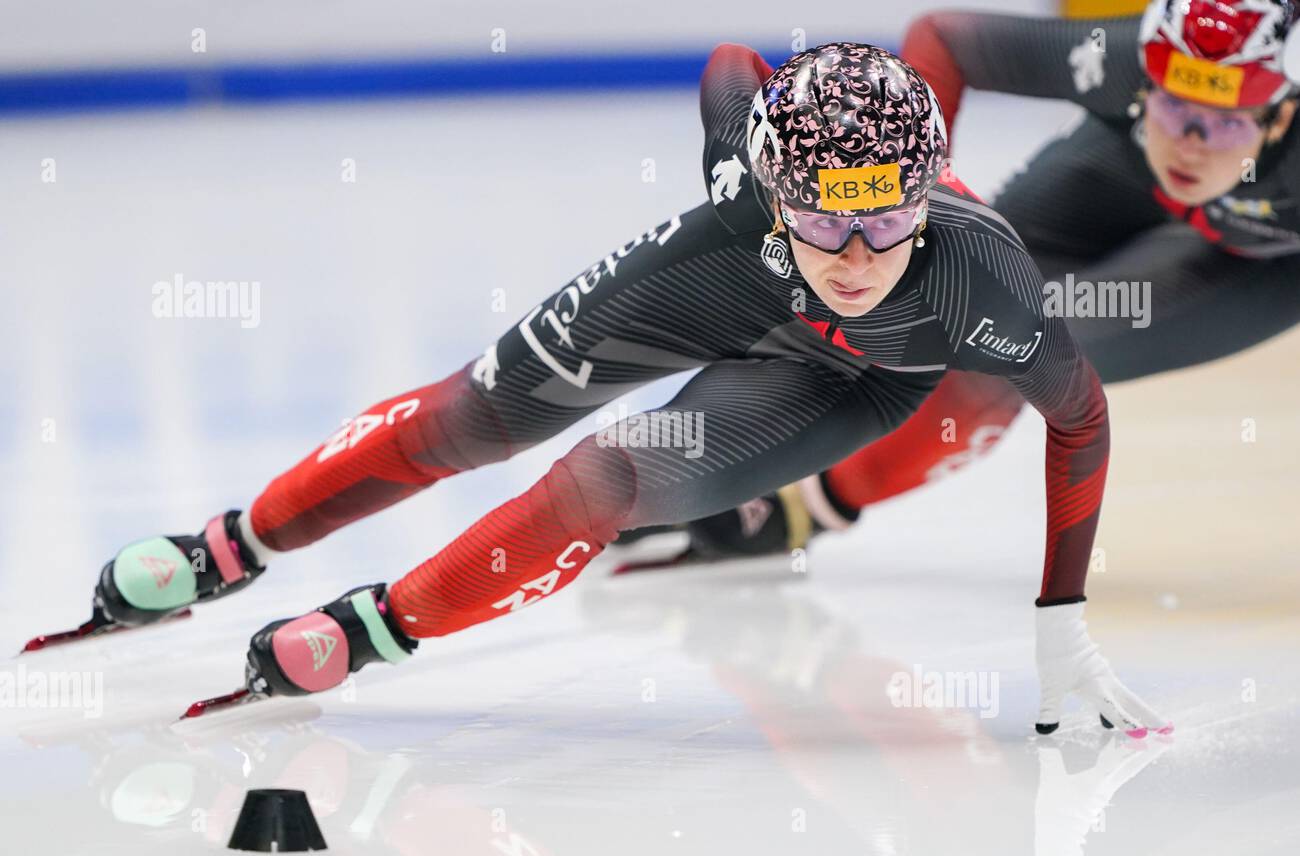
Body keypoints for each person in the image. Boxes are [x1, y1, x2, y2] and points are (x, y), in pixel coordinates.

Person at [84, 42, 1167, 735]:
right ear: (772, 180)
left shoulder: (984, 279)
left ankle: (370, 628)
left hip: (843, 378)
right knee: (476, 415)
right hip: (717, 282)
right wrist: (731, 180)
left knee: (600, 479)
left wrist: (1060, 615)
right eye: (824, 214)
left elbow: (1081, 417)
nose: (854, 250)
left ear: (924, 195)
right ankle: (234, 541)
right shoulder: (745, 191)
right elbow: (731, 63)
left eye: (885, 217)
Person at [650, 0, 1300, 575]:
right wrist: (911, 200)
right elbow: (946, 36)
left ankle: (808, 505)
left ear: (1281, 117)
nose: (1190, 141)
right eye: (1172, 105)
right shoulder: (1129, 59)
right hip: (1122, 170)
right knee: (952, 287)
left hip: (1268, 262)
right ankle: (705, 448)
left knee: (1022, 343)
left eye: (1224, 124)